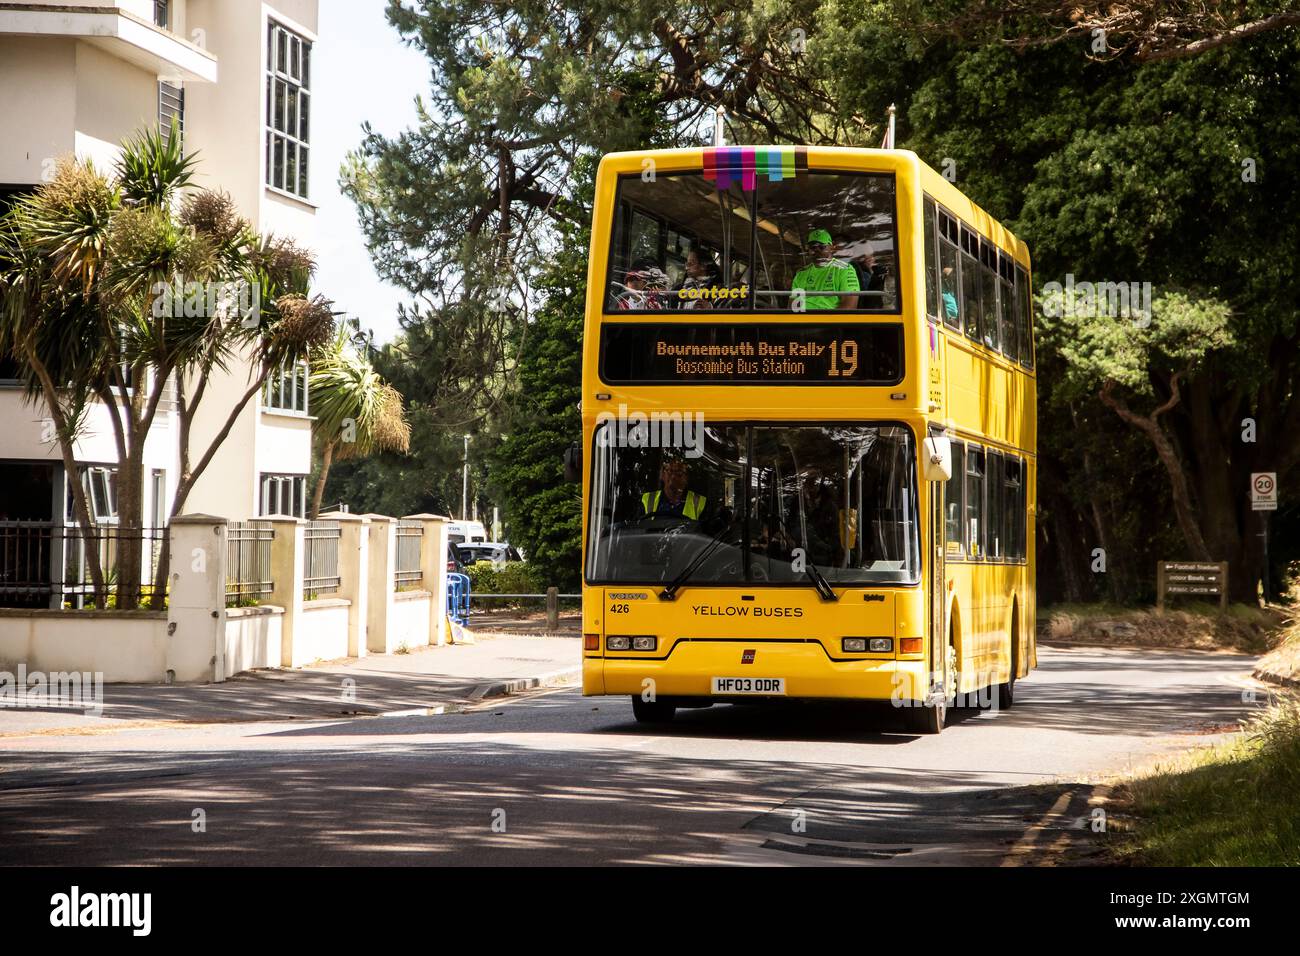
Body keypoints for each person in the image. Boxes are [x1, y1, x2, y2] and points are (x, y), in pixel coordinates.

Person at [791, 229, 859, 310]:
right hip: (803, 320)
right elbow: (794, 307)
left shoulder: (844, 269)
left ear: (831, 247)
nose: (817, 251)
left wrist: (825, 321)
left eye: (822, 247)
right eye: (813, 248)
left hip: (830, 320)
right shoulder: (801, 274)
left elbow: (849, 306)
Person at [642, 454, 707, 521]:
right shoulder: (646, 500)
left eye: (679, 472)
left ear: (687, 478)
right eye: (670, 471)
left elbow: (704, 529)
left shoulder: (701, 503)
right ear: (662, 475)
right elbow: (636, 527)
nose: (673, 477)